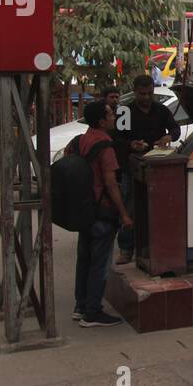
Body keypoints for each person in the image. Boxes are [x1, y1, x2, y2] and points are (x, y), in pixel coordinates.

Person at [74, 100, 131, 327]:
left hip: (84, 209)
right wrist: (124, 213)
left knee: (84, 259)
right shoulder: (105, 146)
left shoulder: (81, 140)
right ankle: (93, 312)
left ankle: (81, 306)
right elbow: (111, 183)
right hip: (103, 211)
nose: (114, 117)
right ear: (101, 121)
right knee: (99, 263)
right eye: (110, 114)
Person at [113, 74, 179, 263]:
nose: (147, 97)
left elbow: (175, 129)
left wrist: (168, 137)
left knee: (156, 207)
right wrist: (131, 144)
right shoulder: (125, 112)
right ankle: (126, 248)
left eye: (150, 93)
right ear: (135, 92)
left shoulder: (161, 110)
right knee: (130, 206)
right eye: (143, 94)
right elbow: (116, 138)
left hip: (156, 165)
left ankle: (152, 246)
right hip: (131, 165)